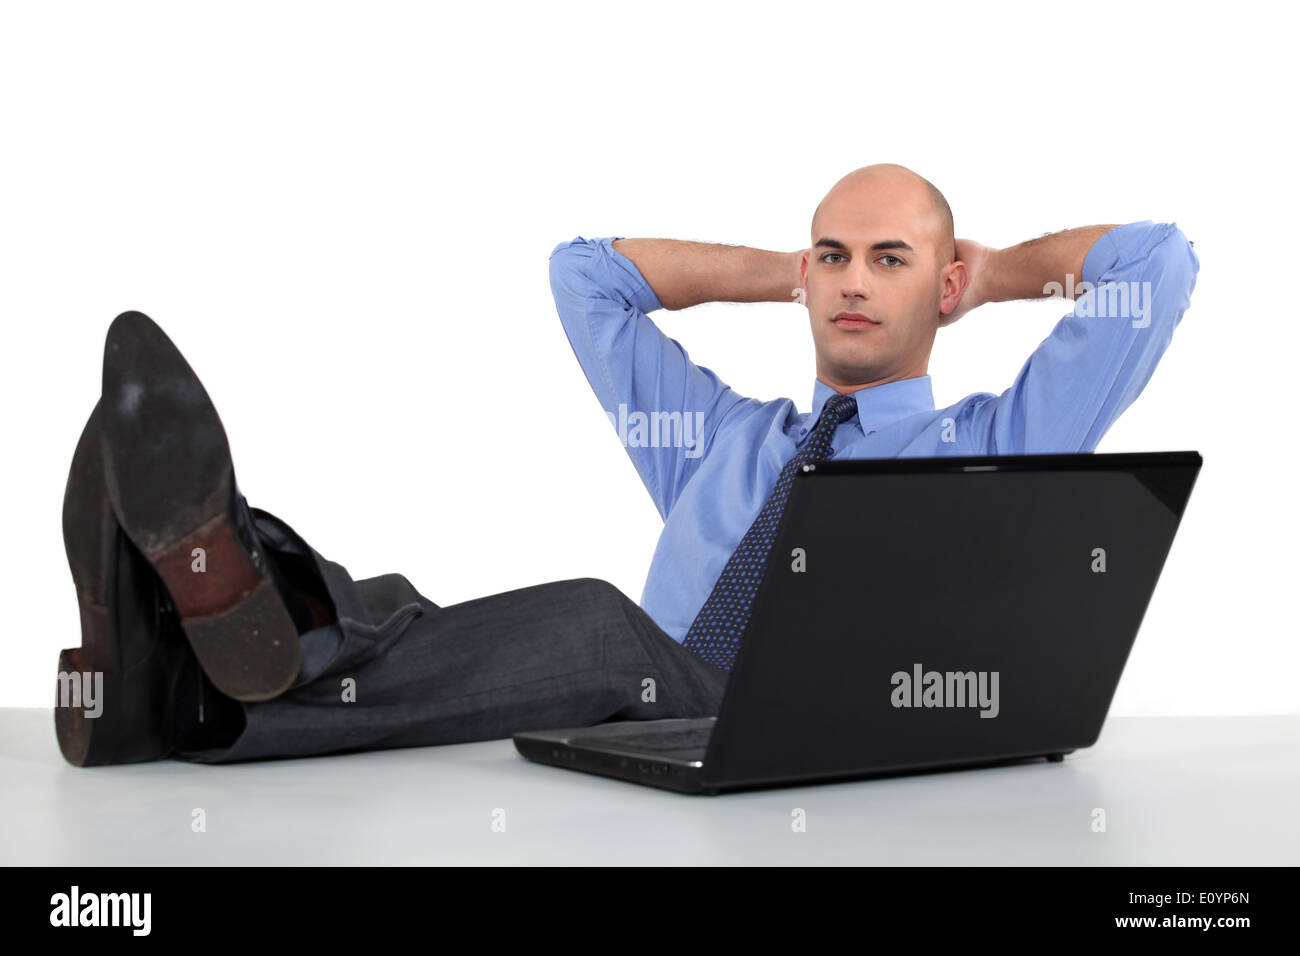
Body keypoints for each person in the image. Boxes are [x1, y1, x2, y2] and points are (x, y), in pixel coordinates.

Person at [54, 163, 1199, 766]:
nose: (853, 281)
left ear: (940, 287)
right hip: (649, 722)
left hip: (795, 729)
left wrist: (986, 275)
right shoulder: (717, 437)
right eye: (834, 257)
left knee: (595, 629)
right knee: (404, 611)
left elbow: (1157, 264)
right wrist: (784, 270)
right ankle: (171, 679)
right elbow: (580, 277)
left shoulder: (991, 446)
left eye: (889, 261)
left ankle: (212, 609)